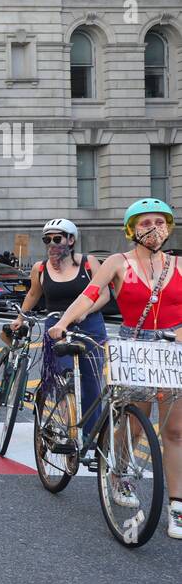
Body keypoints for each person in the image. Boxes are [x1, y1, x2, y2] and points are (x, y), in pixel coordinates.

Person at [49, 198, 182, 539]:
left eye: (159, 221)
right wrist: (63, 322)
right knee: (136, 424)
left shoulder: (179, 264)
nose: (154, 228)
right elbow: (90, 295)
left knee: (175, 431)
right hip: (134, 348)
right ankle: (119, 472)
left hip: (173, 350)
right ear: (131, 229)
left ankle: (177, 507)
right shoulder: (117, 263)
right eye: (145, 222)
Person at [7, 219, 108, 452]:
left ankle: (92, 438)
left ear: (71, 240)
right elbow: (33, 294)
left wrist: (86, 311)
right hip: (56, 325)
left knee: (92, 379)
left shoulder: (88, 263)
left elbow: (104, 295)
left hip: (89, 323)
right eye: (47, 239)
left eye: (57, 238)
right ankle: (67, 427)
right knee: (62, 376)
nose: (51, 244)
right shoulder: (40, 268)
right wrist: (20, 318)